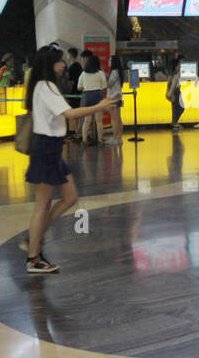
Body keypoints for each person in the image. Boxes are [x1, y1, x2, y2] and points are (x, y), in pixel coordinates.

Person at [24, 46, 120, 273]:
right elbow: (70, 114)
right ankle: (33, 257)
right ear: (50, 64)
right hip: (46, 148)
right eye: (59, 61)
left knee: (70, 197)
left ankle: (34, 240)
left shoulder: (45, 86)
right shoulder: (45, 86)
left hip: (52, 148)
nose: (63, 64)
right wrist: (100, 106)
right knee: (42, 206)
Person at [77, 52, 109, 145]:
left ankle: (84, 140)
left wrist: (86, 87)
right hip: (98, 96)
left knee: (87, 120)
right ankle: (100, 139)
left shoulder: (83, 73)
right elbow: (104, 86)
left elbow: (79, 87)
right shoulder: (100, 73)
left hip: (87, 96)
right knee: (99, 120)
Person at [104, 54, 125, 145]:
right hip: (118, 97)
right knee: (118, 118)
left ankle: (115, 137)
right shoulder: (118, 72)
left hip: (113, 98)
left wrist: (104, 76)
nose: (108, 62)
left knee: (114, 118)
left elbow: (109, 84)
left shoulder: (114, 72)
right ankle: (119, 137)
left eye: (110, 60)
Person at [165, 57, 186, 130]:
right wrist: (170, 93)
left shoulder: (171, 73)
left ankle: (174, 123)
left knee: (175, 108)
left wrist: (168, 92)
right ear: (176, 66)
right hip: (176, 92)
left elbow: (168, 83)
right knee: (181, 108)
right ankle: (174, 123)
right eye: (179, 64)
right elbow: (173, 84)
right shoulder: (177, 74)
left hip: (174, 91)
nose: (180, 66)